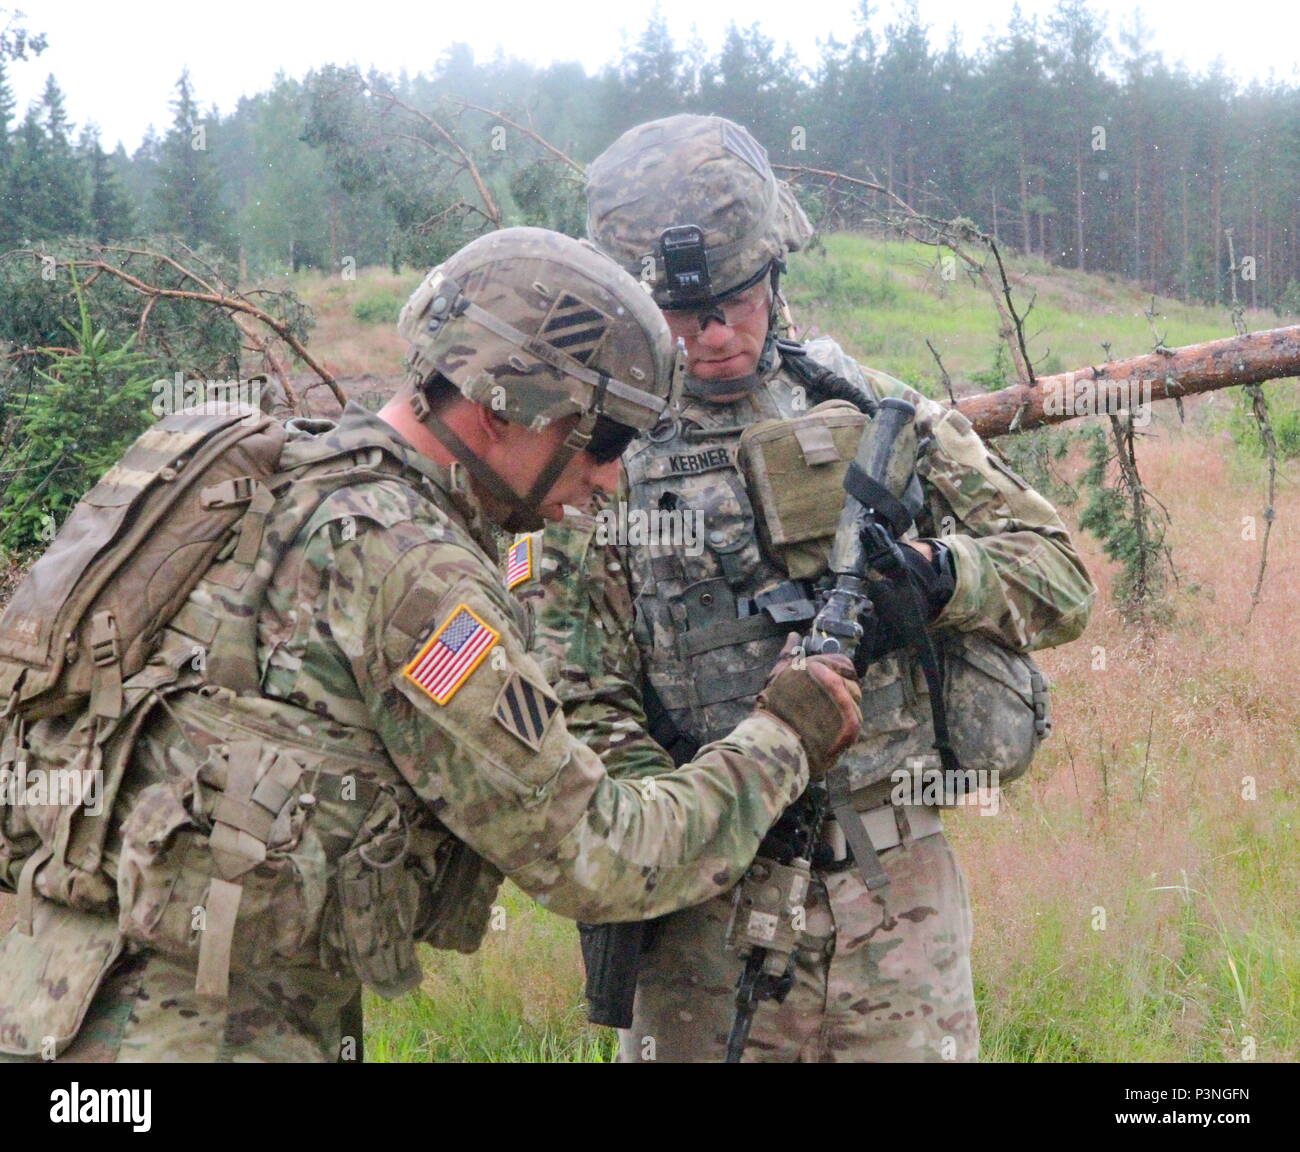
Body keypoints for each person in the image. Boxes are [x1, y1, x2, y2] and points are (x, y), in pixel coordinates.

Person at [0, 226, 862, 1063]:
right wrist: (782, 740)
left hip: (45, 998)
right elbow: (598, 854)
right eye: (601, 439)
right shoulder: (412, 572)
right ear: (501, 407)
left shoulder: (249, 470)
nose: (608, 477)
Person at [529, 116, 1097, 1062]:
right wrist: (708, 811)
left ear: (774, 277)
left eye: (735, 301)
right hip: (706, 913)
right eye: (683, 311)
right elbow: (574, 701)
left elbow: (1061, 576)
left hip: (898, 895)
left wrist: (941, 577)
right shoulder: (597, 465)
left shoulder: (875, 406)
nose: (713, 334)